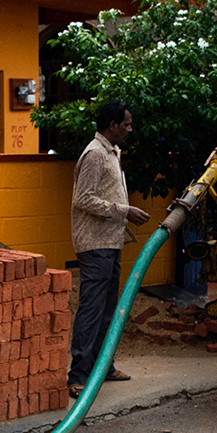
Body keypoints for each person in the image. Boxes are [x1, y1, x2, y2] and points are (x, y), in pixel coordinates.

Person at [68, 99, 150, 398]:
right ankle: (77, 376)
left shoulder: (111, 152)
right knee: (91, 309)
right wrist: (124, 210)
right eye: (126, 124)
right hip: (95, 243)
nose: (130, 129)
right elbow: (83, 199)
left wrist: (122, 213)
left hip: (110, 242)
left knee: (107, 309)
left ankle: (104, 366)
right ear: (112, 125)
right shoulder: (94, 155)